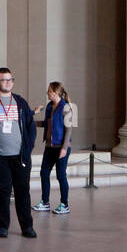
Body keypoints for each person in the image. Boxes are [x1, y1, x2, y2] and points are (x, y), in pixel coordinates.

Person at [0, 68, 37, 238]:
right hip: (0, 157)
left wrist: (28, 147)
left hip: (20, 157)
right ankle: (2, 227)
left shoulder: (20, 102)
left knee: (23, 192)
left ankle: (27, 227)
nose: (7, 82)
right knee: (2, 193)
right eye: (3, 80)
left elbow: (31, 127)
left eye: (10, 79)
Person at [33, 82, 73, 215]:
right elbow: (46, 124)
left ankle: (64, 204)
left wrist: (64, 148)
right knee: (44, 173)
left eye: (49, 91)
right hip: (50, 146)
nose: (47, 93)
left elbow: (68, 130)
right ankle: (45, 202)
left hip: (61, 147)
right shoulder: (50, 106)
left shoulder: (66, 107)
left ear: (55, 93)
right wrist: (32, 123)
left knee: (61, 175)